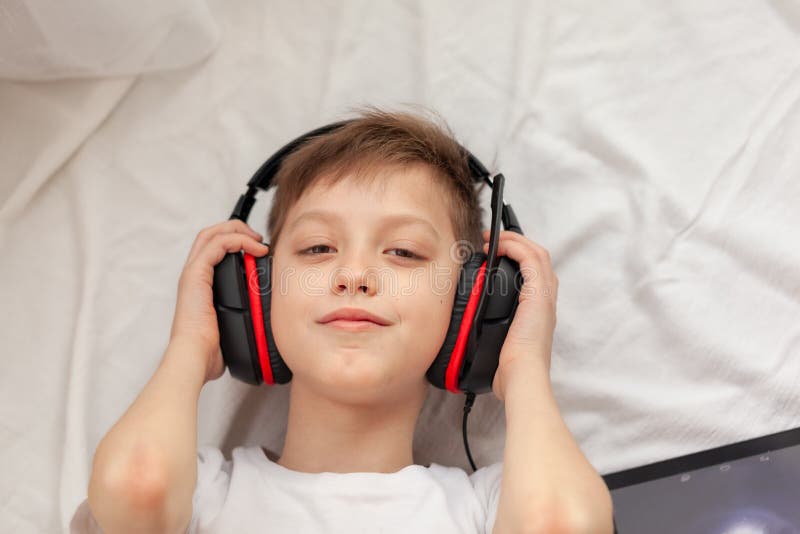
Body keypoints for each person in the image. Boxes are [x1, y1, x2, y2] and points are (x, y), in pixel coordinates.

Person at [70, 108, 614, 533]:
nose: (353, 275)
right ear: (252, 295)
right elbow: (134, 490)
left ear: (471, 306)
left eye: (403, 252)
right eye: (317, 248)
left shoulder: (486, 509)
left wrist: (521, 365)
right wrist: (190, 346)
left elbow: (562, 524)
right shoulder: (200, 496)